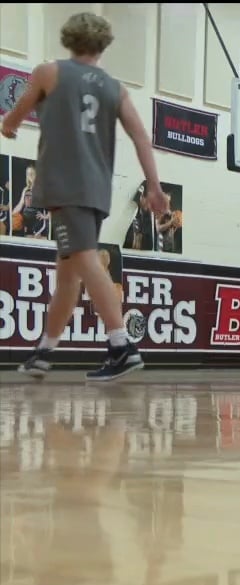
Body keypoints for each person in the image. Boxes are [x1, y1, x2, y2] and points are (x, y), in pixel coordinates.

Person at [4, 12, 167, 381]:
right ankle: (44, 352)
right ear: (103, 44)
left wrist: (9, 126)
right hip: (96, 188)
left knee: (88, 261)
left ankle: (121, 346)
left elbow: (15, 115)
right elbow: (142, 137)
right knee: (68, 275)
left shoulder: (49, 72)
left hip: (65, 184)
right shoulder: (115, 87)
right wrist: (154, 186)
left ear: (67, 38)